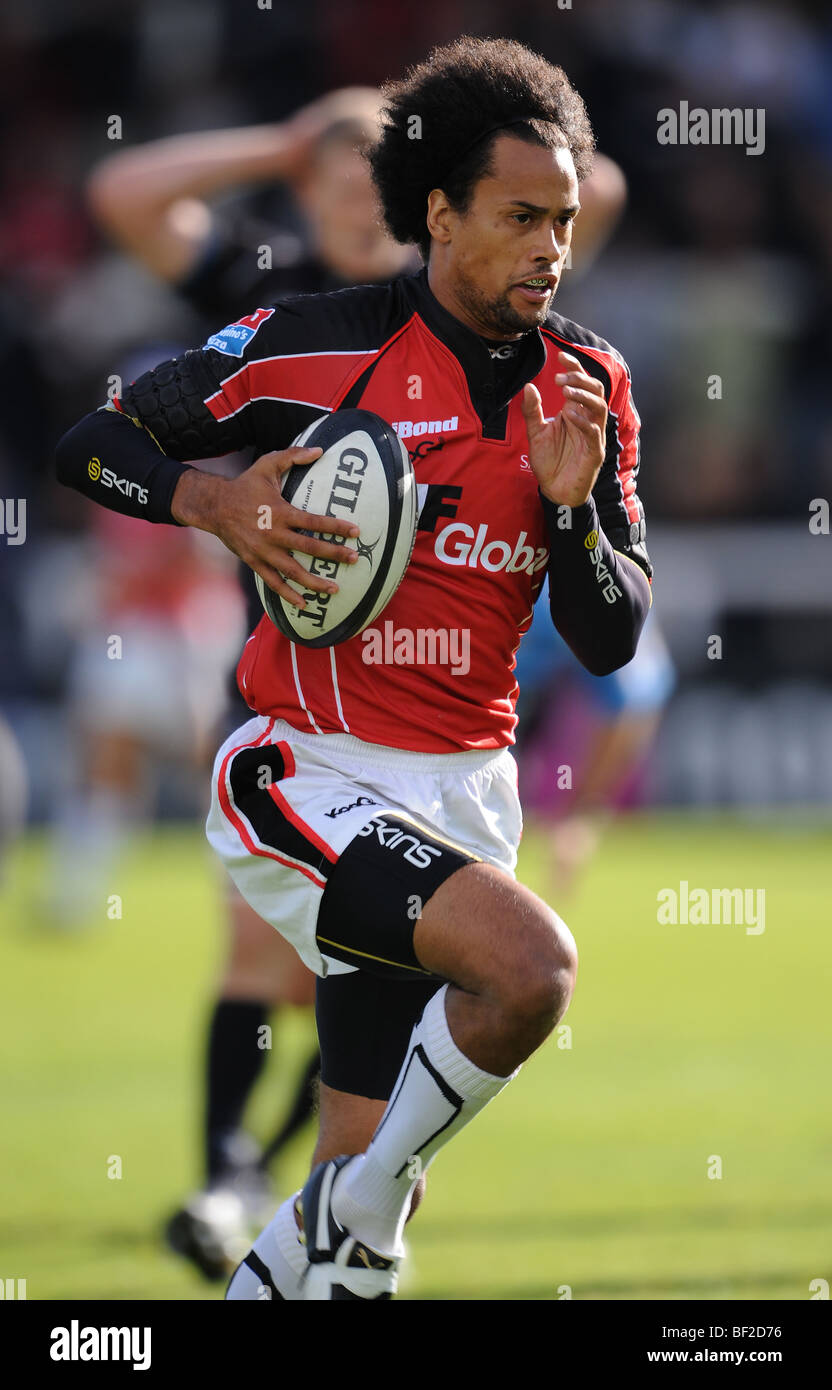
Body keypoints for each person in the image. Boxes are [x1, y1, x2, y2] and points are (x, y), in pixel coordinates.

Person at [56, 35, 652, 1300]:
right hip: (300, 777)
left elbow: (612, 635)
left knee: (359, 1247)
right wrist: (209, 505)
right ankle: (345, 1203)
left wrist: (575, 515)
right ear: (438, 216)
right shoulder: (304, 340)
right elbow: (93, 440)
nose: (551, 247)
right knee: (532, 971)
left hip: (466, 796)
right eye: (518, 218)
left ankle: (319, 1237)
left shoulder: (591, 381)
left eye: (560, 220)